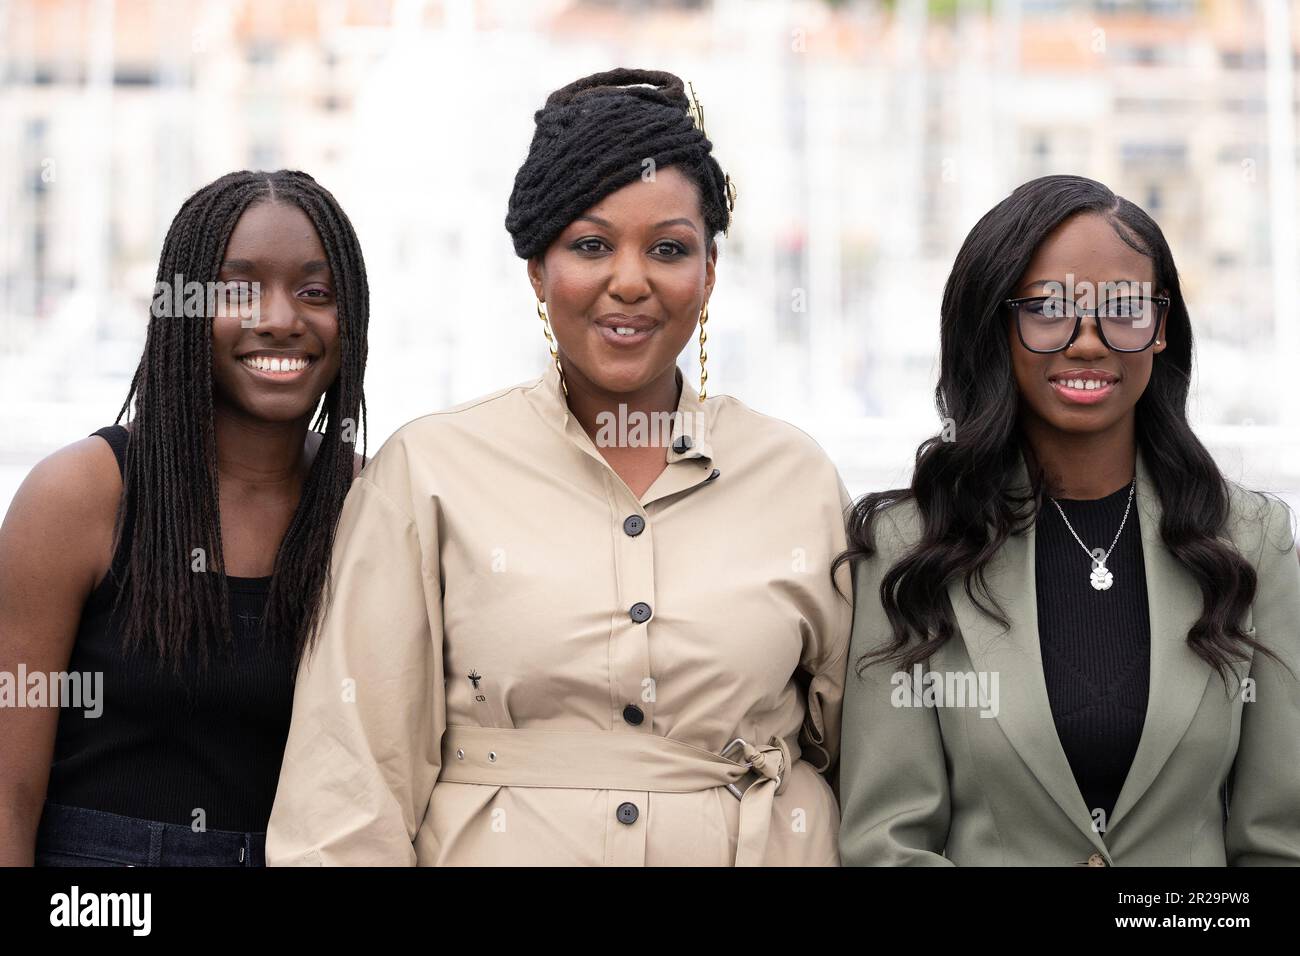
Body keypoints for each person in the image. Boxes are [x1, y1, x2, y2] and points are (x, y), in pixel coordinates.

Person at [266, 68, 852, 866]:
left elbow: (869, 757)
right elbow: (346, 791)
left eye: (670, 249)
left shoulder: (798, 480)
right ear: (538, 271)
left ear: (709, 273)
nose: (631, 281)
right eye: (590, 246)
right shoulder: (428, 473)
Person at [837, 174, 1300, 866]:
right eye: (1049, 308)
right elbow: (887, 844)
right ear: (997, 323)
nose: (1088, 341)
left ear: (1162, 327)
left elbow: (1277, 843)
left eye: (1124, 306)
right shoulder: (910, 550)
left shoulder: (1250, 543)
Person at [0, 170, 369, 867]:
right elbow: (6, 794)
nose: (282, 318)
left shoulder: (370, 503)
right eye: (238, 289)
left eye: (316, 292)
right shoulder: (79, 495)